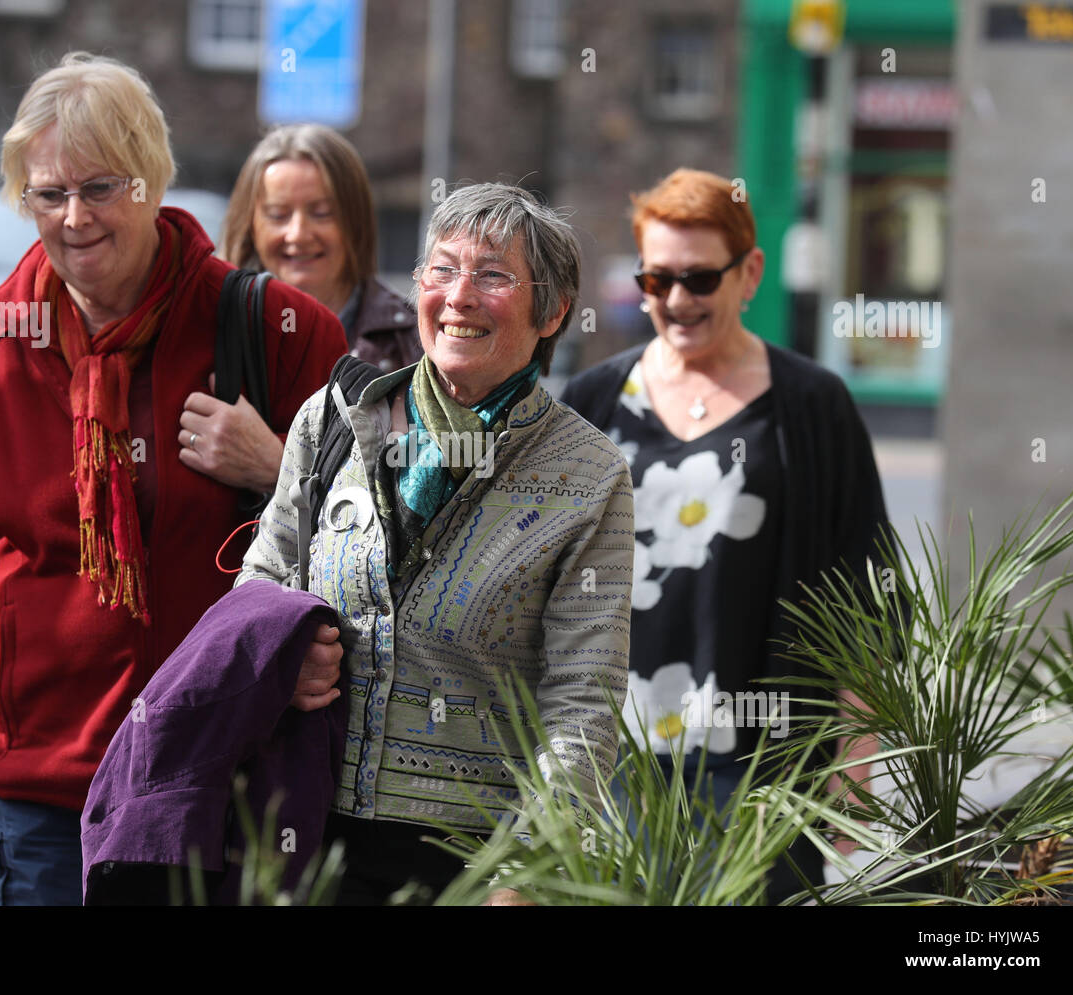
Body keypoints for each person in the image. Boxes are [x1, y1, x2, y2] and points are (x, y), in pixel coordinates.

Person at [0, 52, 347, 905]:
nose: (75, 218)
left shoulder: (282, 331)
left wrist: (276, 467)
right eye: (48, 194)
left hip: (228, 787)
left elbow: (382, 543)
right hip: (43, 807)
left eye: (102, 187)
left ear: (151, 180)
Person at [235, 182, 634, 904]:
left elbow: (584, 697)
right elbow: (259, 585)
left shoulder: (589, 474)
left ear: (553, 312)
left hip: (470, 864)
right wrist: (280, 661)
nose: (459, 295)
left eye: (493, 275)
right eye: (441, 269)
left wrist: (529, 866)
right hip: (301, 835)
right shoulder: (332, 420)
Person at [560, 167, 890, 899]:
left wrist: (856, 767)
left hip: (764, 774)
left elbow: (867, 599)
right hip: (613, 769)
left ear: (750, 274)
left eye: (701, 279)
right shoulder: (593, 401)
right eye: (656, 281)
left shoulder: (811, 406)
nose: (677, 301)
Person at [219, 123, 421, 372]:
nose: (298, 234)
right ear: (250, 224)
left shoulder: (414, 339)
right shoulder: (211, 327)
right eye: (278, 215)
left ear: (356, 220)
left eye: (322, 213)